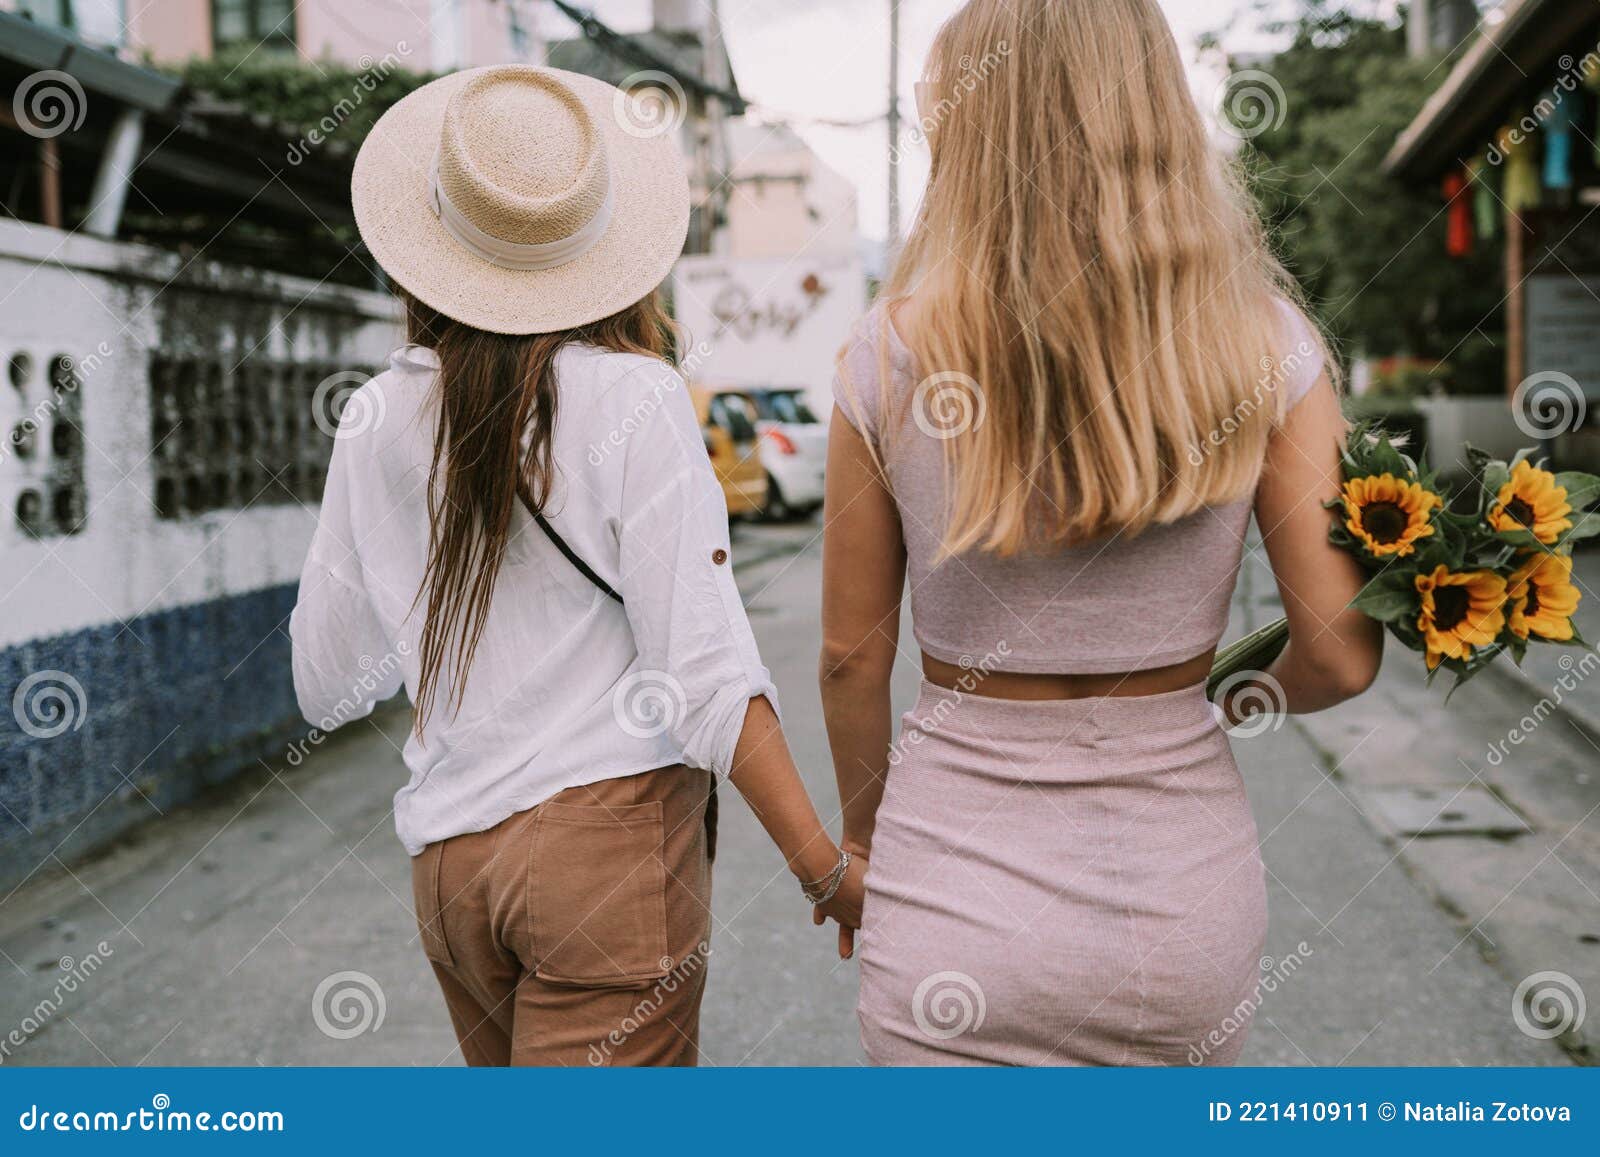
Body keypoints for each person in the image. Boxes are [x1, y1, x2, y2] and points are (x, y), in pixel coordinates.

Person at [819, 0, 1382, 1066]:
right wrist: (1210, 701)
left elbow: (852, 655)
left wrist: (859, 841)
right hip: (1179, 916)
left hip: (951, 914)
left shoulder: (884, 354)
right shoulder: (1265, 345)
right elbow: (1341, 656)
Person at [290, 64, 862, 1067]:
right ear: (597, 249)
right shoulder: (635, 398)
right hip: (606, 856)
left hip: (450, 862)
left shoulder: (373, 415)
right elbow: (705, 673)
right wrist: (824, 868)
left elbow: (326, 681)